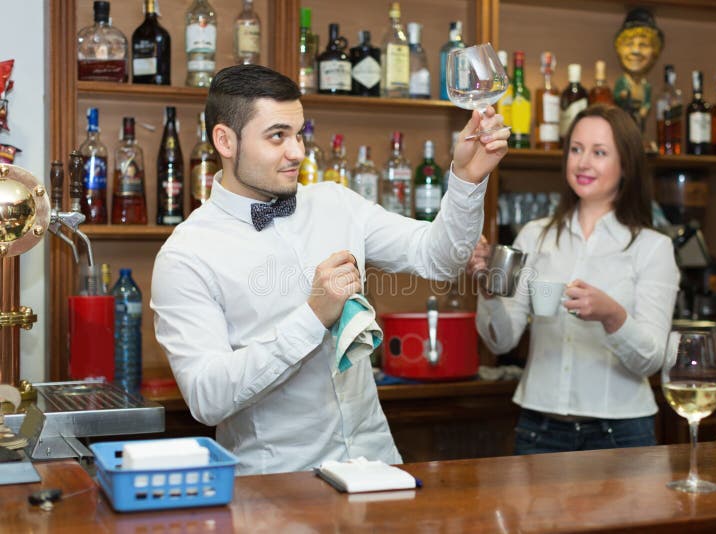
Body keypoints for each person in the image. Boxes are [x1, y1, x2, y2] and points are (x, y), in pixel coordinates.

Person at [150, 64, 508, 475]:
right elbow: (206, 397)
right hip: (279, 492)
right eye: (277, 136)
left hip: (377, 471)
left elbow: (440, 258)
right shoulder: (186, 255)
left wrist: (465, 179)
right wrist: (313, 316)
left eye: (298, 134)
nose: (297, 152)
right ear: (224, 140)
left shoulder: (337, 204)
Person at [468, 104, 678, 454]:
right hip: (540, 429)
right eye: (576, 150)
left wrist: (613, 315)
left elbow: (651, 361)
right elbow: (501, 341)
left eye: (599, 153)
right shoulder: (533, 237)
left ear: (625, 165)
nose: (583, 163)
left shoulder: (653, 248)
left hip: (622, 433)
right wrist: (489, 291)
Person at [612, 7, 664, 133]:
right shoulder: (622, 82)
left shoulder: (646, 86)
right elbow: (617, 97)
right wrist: (622, 96)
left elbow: (646, 102)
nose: (635, 51)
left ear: (655, 52)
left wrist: (644, 109)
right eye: (629, 44)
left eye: (644, 45)